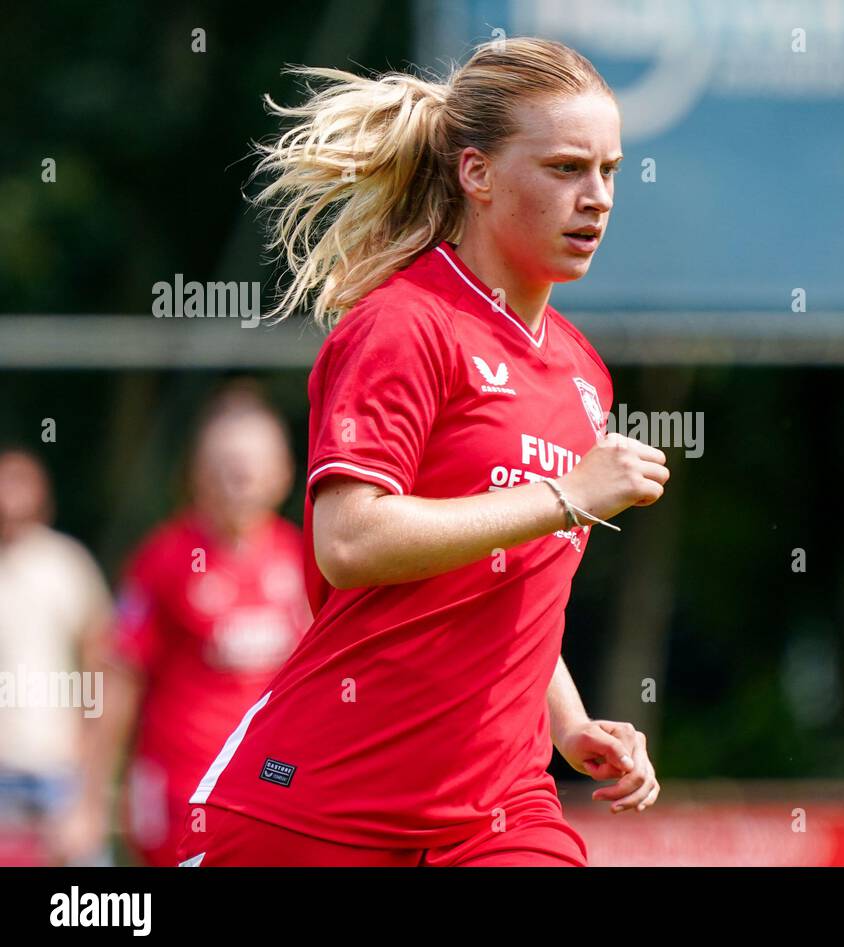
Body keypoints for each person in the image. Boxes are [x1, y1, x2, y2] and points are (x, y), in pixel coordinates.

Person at [176, 37, 667, 868]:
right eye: (564, 169)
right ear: (475, 174)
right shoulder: (405, 325)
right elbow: (350, 542)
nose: (596, 199)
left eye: (609, 172)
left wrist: (569, 721)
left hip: (499, 811)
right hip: (322, 806)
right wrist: (565, 496)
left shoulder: (583, 372)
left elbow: (514, 583)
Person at [70, 382, 311, 866]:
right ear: (198, 474)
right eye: (225, 467)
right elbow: (120, 680)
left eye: (250, 467)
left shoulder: (306, 559)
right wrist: (88, 798)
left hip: (273, 793)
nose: (237, 480)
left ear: (283, 473)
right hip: (182, 793)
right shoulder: (163, 560)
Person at [0, 447, 113, 865]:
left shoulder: (67, 565)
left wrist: (90, 790)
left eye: (19, 481)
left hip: (60, 770)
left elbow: (98, 670)